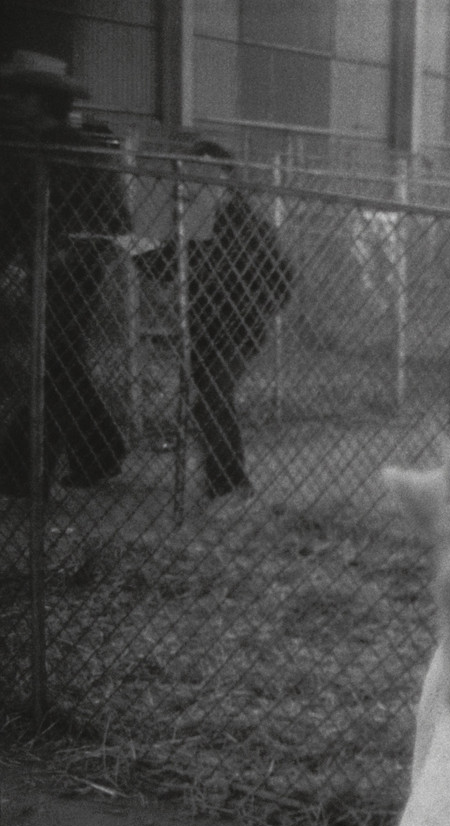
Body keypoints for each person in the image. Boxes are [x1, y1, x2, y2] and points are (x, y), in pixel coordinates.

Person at [0, 49, 132, 498]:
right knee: (58, 362)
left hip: (72, 269)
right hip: (39, 267)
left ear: (39, 102)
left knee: (53, 361)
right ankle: (97, 450)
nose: (10, 102)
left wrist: (59, 254)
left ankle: (30, 466)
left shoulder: (76, 150)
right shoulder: (27, 148)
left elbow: (107, 219)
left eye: (19, 95)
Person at [137, 140, 293, 497]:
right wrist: (137, 241)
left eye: (210, 176)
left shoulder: (249, 225)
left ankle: (230, 485)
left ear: (227, 181)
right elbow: (160, 268)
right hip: (202, 326)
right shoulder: (189, 223)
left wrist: (251, 305)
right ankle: (224, 482)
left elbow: (283, 279)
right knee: (209, 399)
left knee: (211, 400)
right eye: (193, 175)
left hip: (239, 328)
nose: (198, 183)